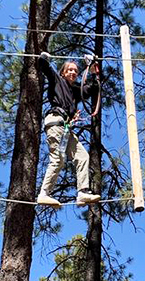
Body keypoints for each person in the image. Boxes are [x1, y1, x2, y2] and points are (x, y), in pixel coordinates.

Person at [36, 50, 101, 208]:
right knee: (58, 159)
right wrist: (45, 58)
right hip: (55, 121)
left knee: (82, 157)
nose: (73, 72)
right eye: (69, 70)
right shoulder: (57, 80)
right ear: (63, 72)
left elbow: (93, 88)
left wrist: (92, 69)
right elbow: (44, 66)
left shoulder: (75, 91)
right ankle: (44, 194)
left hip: (65, 127)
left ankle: (83, 193)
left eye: (76, 71)